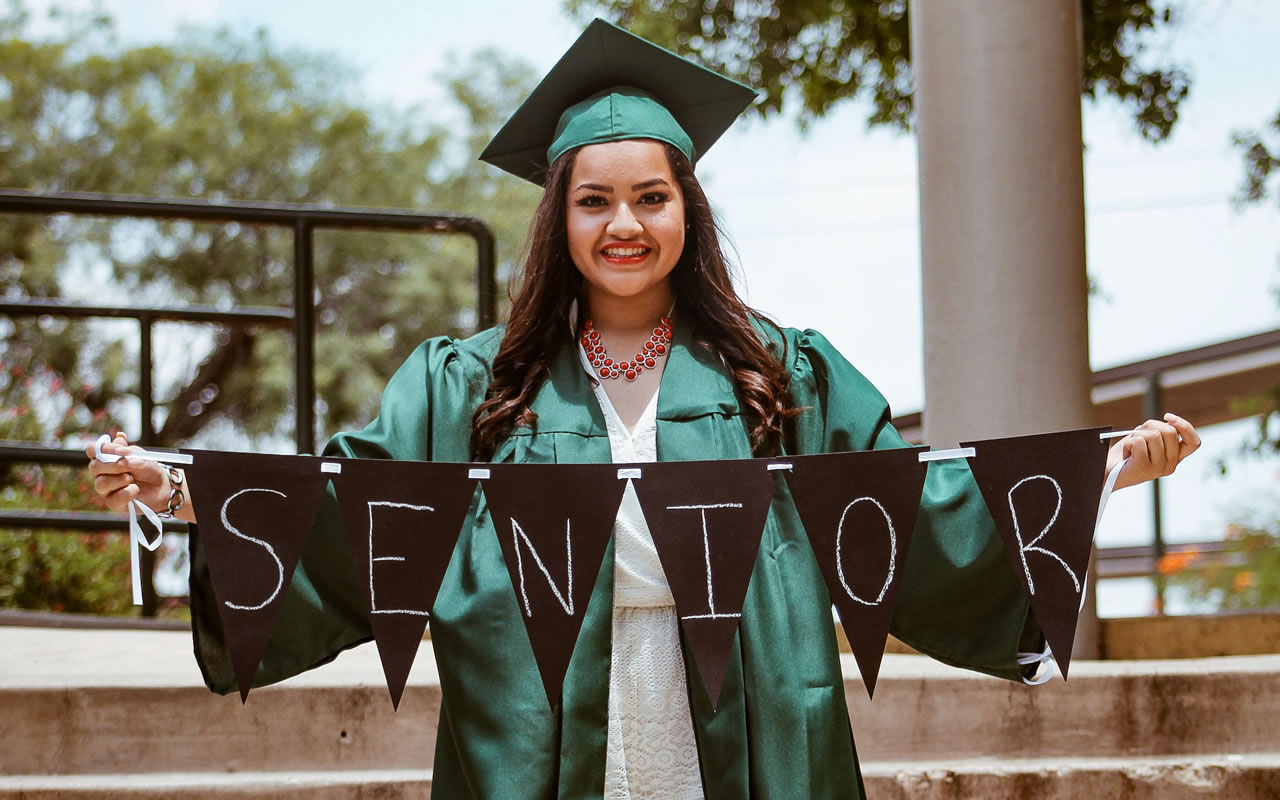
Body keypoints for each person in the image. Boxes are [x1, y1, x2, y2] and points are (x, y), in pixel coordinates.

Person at [88, 18, 1201, 800]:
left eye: (651, 197)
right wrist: (180, 485)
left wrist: (1093, 472)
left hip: (740, 702)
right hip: (539, 707)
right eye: (595, 200)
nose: (625, 223)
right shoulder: (469, 384)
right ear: (559, 219)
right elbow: (346, 504)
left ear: (686, 209)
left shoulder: (781, 373)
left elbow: (903, 502)